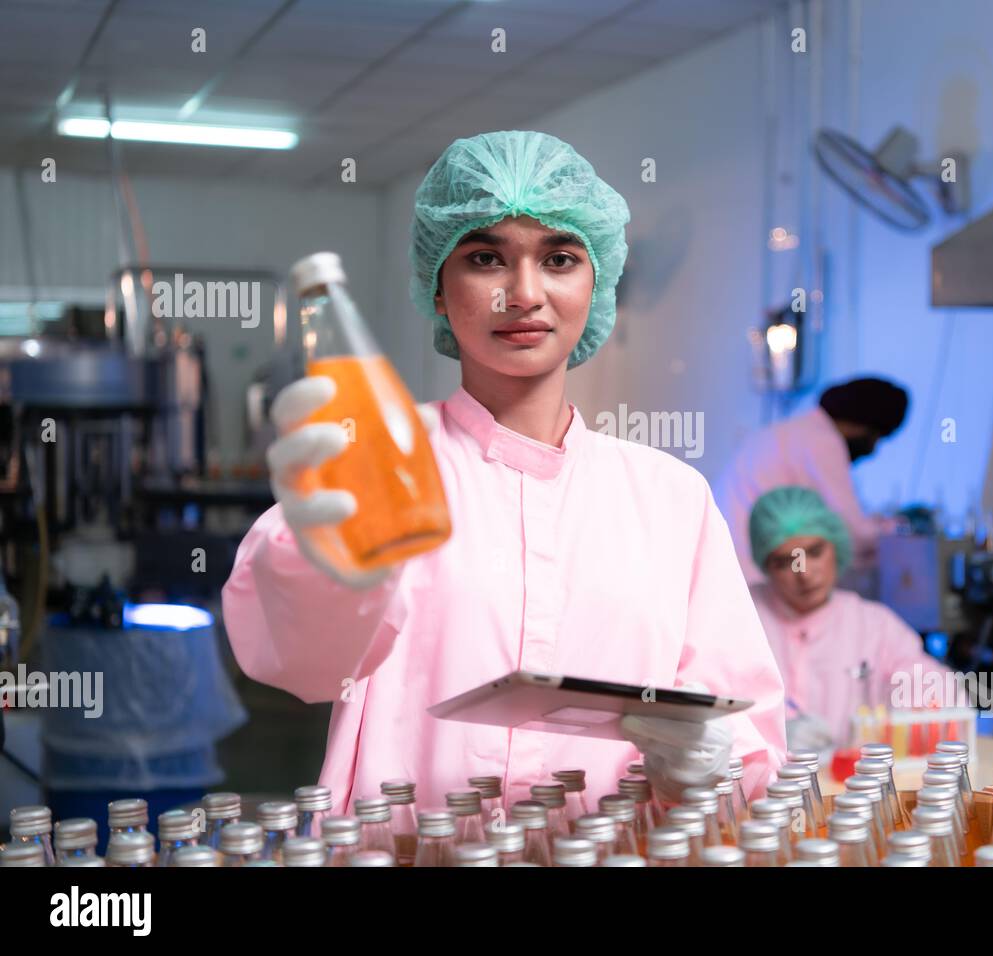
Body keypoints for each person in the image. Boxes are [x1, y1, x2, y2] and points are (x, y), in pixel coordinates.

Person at [221, 131, 786, 817]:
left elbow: (749, 730)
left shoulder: (672, 500)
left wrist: (713, 760)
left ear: (596, 281)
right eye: (486, 258)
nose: (524, 293)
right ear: (438, 287)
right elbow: (298, 662)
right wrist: (325, 564)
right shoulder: (375, 464)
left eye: (559, 258)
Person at [746, 486, 952, 753]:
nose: (805, 573)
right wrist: (767, 738)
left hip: (848, 786)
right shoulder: (741, 617)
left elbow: (933, 687)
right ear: (766, 567)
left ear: (836, 545)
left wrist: (909, 712)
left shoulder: (873, 625)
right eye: (785, 562)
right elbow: (708, 707)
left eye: (815, 551)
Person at [713, 376, 910, 585]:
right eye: (877, 438)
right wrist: (896, 527)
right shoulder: (823, 442)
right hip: (755, 580)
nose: (873, 450)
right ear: (863, 426)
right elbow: (853, 536)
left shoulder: (787, 432)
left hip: (730, 571)